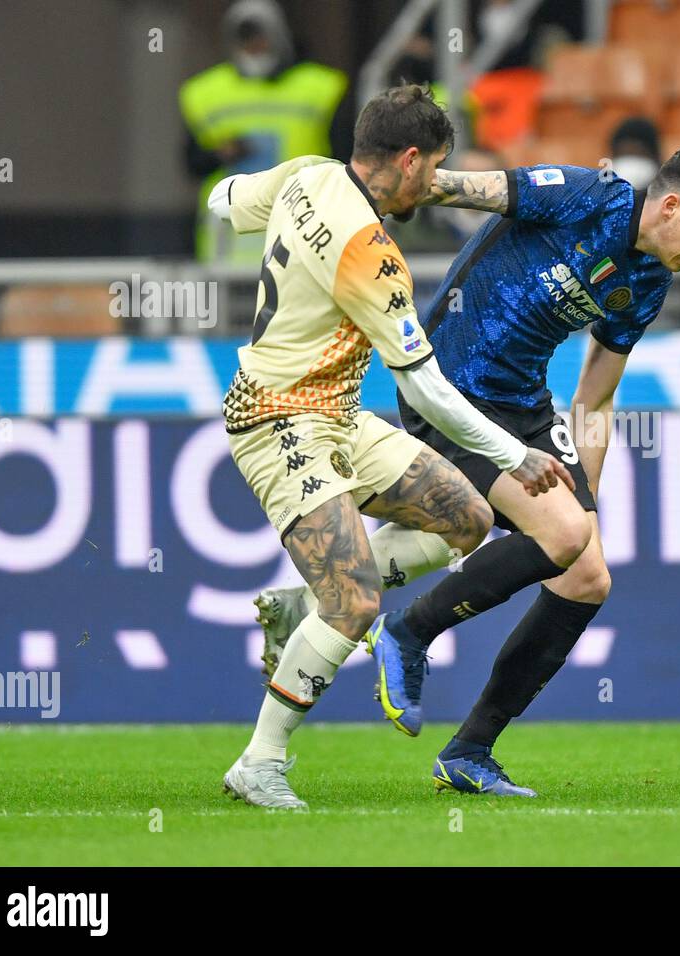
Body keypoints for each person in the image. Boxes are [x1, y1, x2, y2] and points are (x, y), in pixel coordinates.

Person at [257, 144, 680, 796]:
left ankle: (470, 751)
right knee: (564, 538)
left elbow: (596, 398)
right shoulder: (586, 197)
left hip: (523, 406)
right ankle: (408, 629)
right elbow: (459, 188)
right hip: (451, 392)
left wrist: (586, 495)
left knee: (586, 573)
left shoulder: (650, 280)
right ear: (669, 206)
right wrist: (364, 193)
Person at [213, 85, 571, 810]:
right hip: (277, 418)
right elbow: (429, 390)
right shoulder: (370, 255)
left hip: (337, 413)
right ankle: (260, 762)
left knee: (467, 519)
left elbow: (223, 200)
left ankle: (300, 606)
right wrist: (515, 454)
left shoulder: (305, 173)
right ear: (409, 159)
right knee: (352, 601)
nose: (435, 183)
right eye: (434, 167)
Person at [180, 0, 351, 264]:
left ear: (278, 35)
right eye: (246, 38)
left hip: (302, 235)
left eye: (260, 36)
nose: (254, 46)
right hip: (228, 244)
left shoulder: (321, 87)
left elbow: (344, 159)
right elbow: (192, 163)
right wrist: (220, 153)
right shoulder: (205, 92)